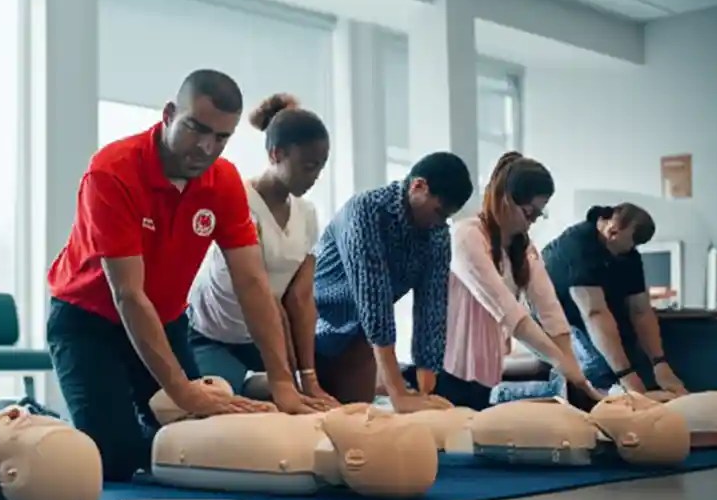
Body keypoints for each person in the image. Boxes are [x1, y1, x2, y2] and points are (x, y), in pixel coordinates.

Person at [47, 69, 306, 482]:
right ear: (169, 114)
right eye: (196, 128)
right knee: (116, 459)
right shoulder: (112, 172)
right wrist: (184, 391)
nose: (206, 147)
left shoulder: (223, 182)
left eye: (221, 137)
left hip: (165, 321)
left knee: (196, 446)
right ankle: (47, 421)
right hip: (89, 321)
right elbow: (129, 296)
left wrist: (282, 381)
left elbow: (253, 284)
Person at [186, 93, 337, 407]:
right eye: (308, 167)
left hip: (259, 338)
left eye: (321, 167)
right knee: (221, 401)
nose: (315, 177)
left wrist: (308, 378)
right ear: (276, 154)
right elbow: (261, 293)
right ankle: (246, 384)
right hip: (214, 334)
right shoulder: (239, 200)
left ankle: (256, 382)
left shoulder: (307, 214)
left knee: (310, 392)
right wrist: (290, 382)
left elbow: (301, 299)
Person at [437, 152, 602, 410]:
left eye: (538, 215)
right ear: (505, 199)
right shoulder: (467, 236)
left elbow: (550, 311)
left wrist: (575, 373)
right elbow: (510, 314)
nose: (532, 221)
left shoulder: (521, 248)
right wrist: (561, 363)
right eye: (529, 213)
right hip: (447, 369)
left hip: (485, 372)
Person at [313, 152, 473, 409]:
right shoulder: (366, 210)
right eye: (438, 211)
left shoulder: (437, 233)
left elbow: (432, 307)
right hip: (313, 327)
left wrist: (425, 389)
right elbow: (374, 302)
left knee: (356, 415)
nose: (439, 222)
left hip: (357, 336)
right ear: (418, 186)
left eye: (446, 217)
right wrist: (398, 393)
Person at [542, 203, 686, 395]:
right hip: (555, 315)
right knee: (601, 372)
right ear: (613, 231)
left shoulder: (628, 253)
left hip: (594, 308)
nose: (629, 251)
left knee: (632, 355)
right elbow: (594, 313)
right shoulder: (578, 246)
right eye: (629, 244)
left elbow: (641, 310)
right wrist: (626, 375)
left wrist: (659, 363)